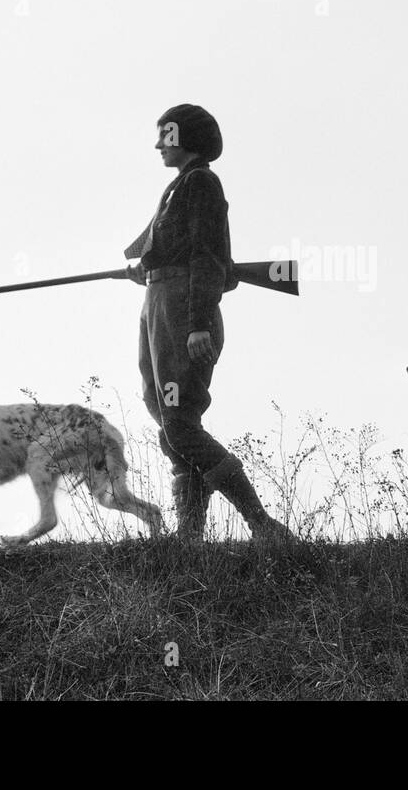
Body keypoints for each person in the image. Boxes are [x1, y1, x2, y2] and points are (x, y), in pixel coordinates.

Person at [124, 104, 291, 542]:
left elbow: (208, 256)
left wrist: (198, 322)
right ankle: (190, 538)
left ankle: (262, 524)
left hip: (182, 310)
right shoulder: (180, 187)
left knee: (179, 422)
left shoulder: (201, 183)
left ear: (186, 138)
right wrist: (146, 267)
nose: (159, 144)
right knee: (168, 421)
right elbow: (174, 248)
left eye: (167, 134)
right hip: (160, 303)